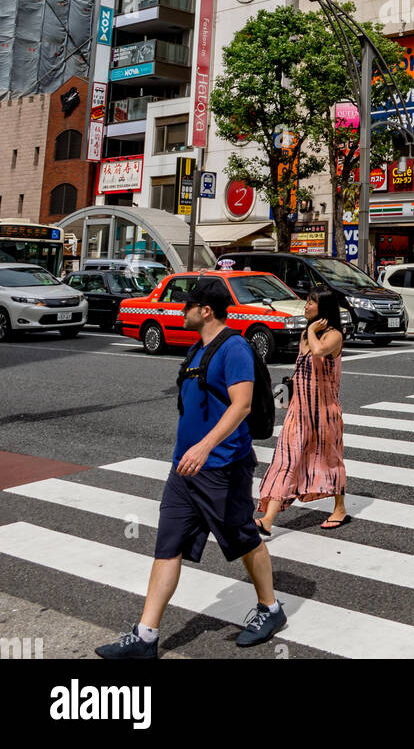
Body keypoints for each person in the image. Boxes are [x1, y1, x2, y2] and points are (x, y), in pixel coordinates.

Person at [96, 278, 285, 658]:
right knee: (168, 546)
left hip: (222, 467)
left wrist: (204, 445)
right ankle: (146, 635)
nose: (179, 311)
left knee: (243, 538)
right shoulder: (198, 350)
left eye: (186, 306)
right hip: (184, 471)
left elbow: (242, 405)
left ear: (205, 311)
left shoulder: (234, 349)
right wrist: (190, 450)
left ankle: (271, 609)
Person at [257, 289, 348, 532]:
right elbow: (301, 368)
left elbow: (319, 352)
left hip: (324, 411)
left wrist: (310, 331)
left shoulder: (334, 336)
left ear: (324, 309)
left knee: (330, 460)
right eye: (307, 301)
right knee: (285, 459)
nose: (306, 305)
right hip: (299, 410)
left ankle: (340, 508)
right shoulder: (306, 337)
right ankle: (268, 519)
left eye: (312, 302)